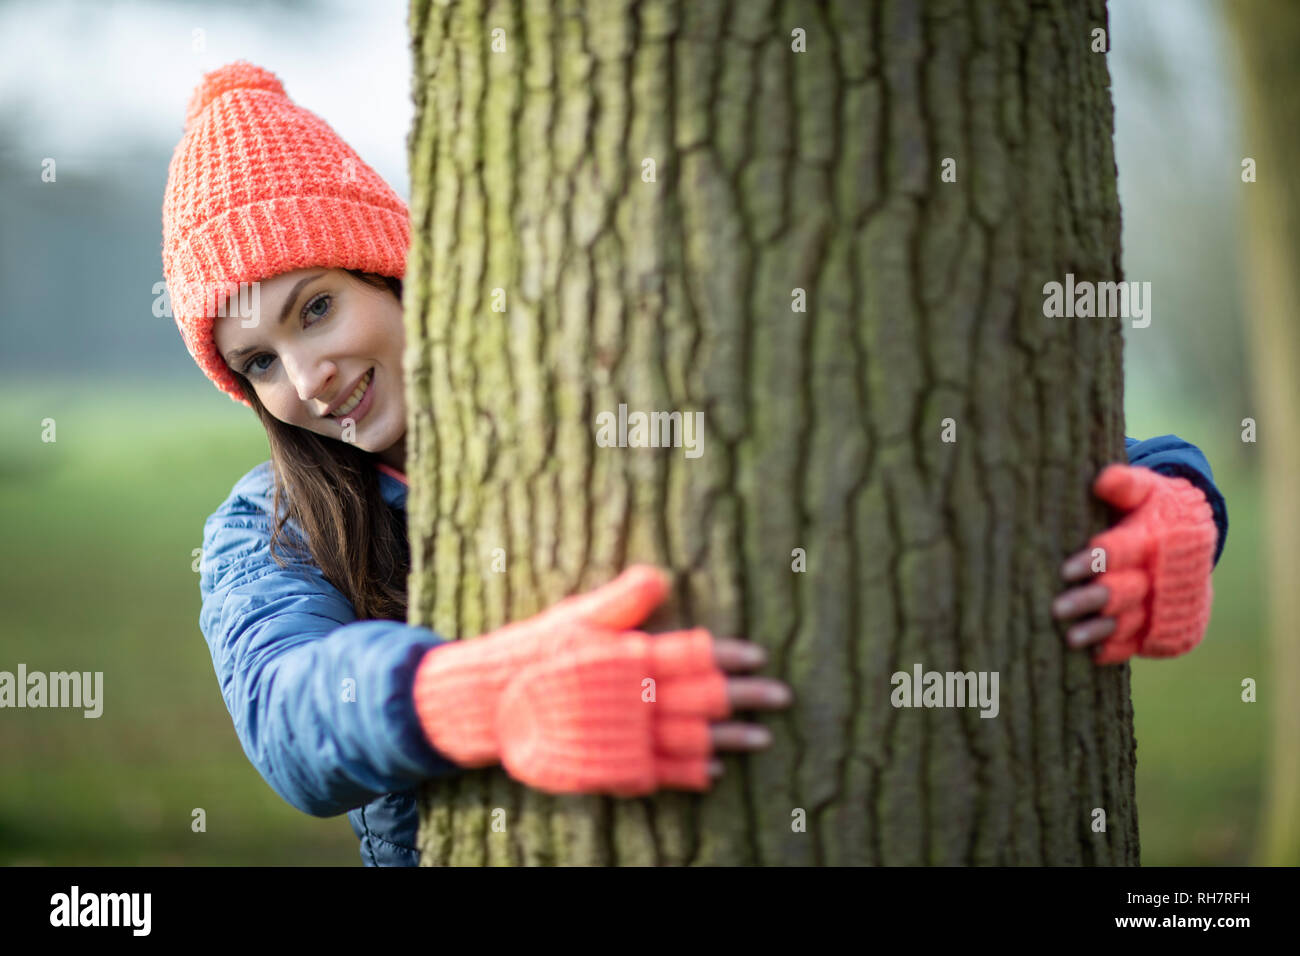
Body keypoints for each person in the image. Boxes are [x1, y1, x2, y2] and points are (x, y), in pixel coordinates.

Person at [163, 62, 1227, 866]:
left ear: (388, 272)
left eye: (316, 307)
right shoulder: (271, 526)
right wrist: (475, 698)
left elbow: (935, 444)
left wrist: (1177, 501)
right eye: (258, 358)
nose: (307, 375)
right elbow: (284, 711)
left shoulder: (570, 382)